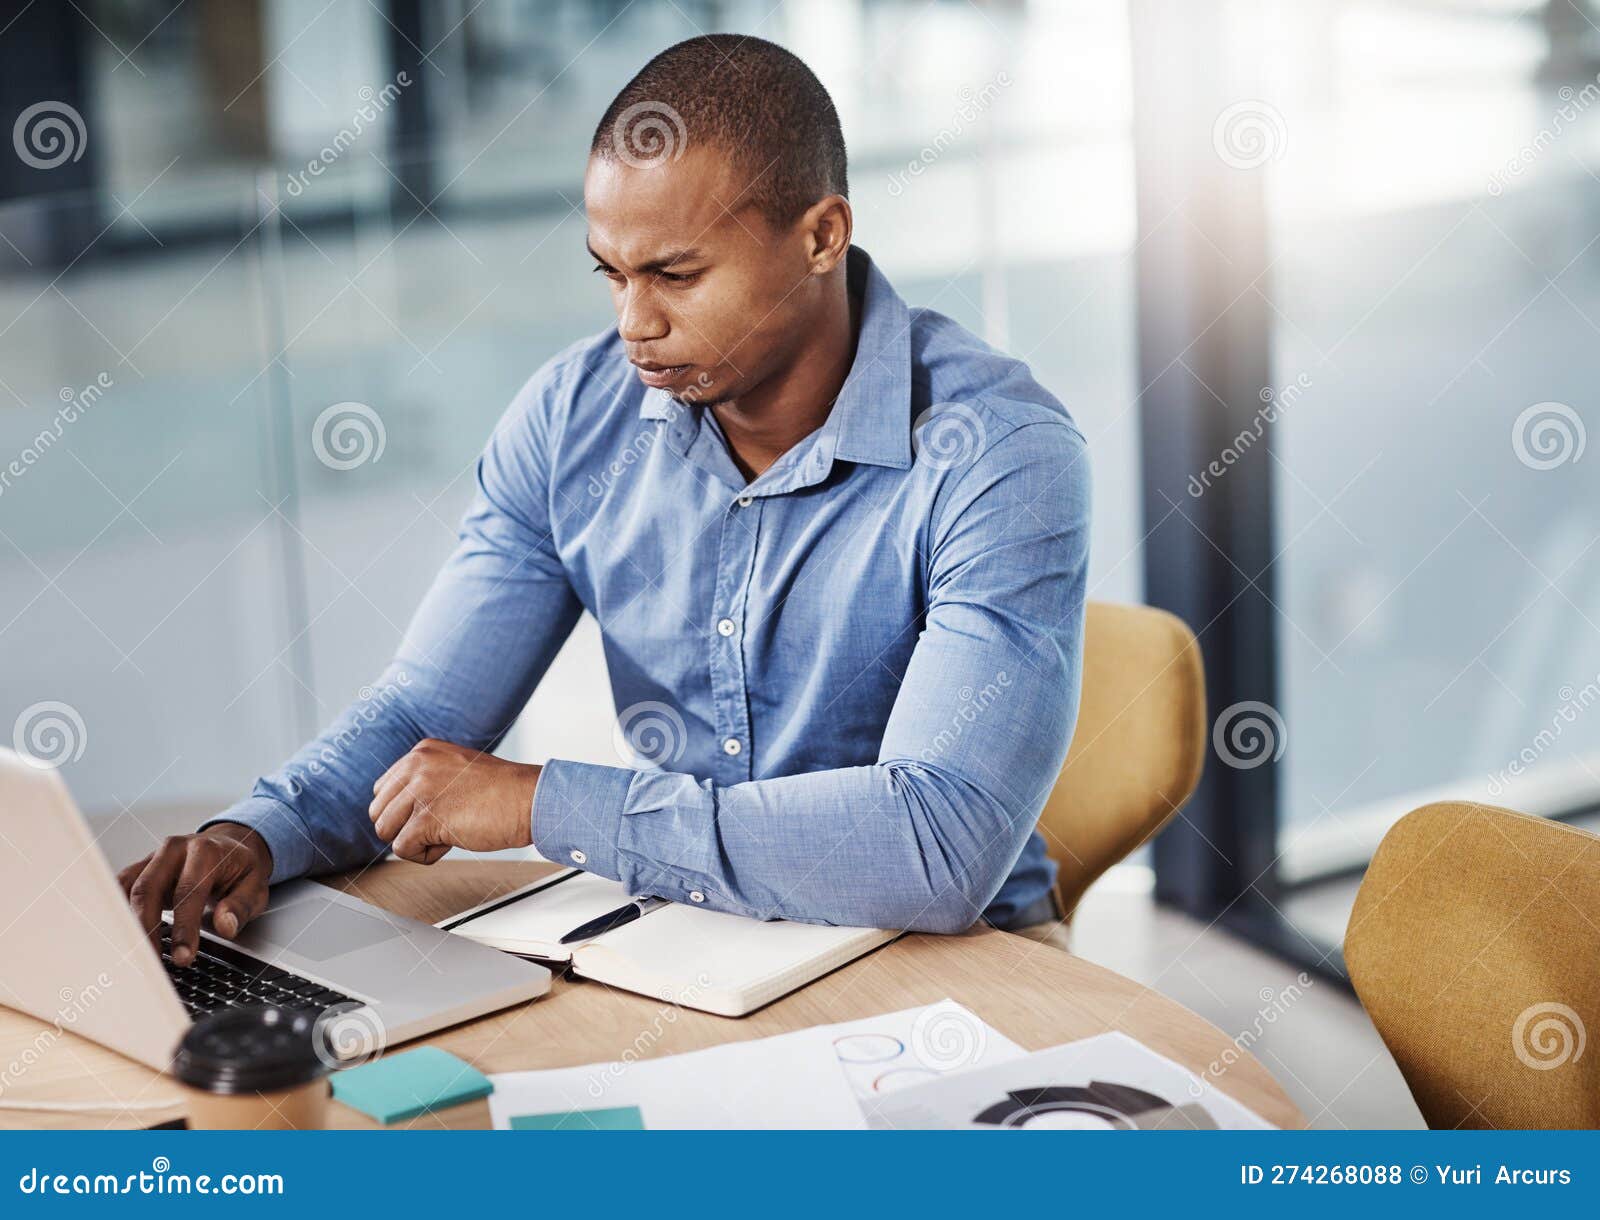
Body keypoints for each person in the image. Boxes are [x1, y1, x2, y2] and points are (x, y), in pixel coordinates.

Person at [120, 34, 1091, 965]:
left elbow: (934, 843)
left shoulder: (998, 453)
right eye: (613, 273)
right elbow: (428, 710)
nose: (635, 323)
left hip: (953, 951)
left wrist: (548, 803)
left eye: (675, 274)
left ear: (821, 236)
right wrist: (258, 831)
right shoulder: (571, 419)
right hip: (693, 936)